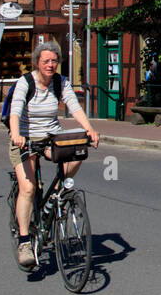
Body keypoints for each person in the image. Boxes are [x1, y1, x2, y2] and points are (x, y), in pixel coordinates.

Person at [9, 40, 99, 269]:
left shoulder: (60, 82)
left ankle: (55, 195)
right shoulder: (25, 82)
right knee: (28, 189)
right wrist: (16, 134)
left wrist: (89, 128)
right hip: (25, 138)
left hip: (51, 137)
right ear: (37, 63)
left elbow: (73, 106)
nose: (50, 65)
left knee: (78, 151)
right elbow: (15, 110)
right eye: (46, 61)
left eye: (54, 61)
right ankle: (24, 242)